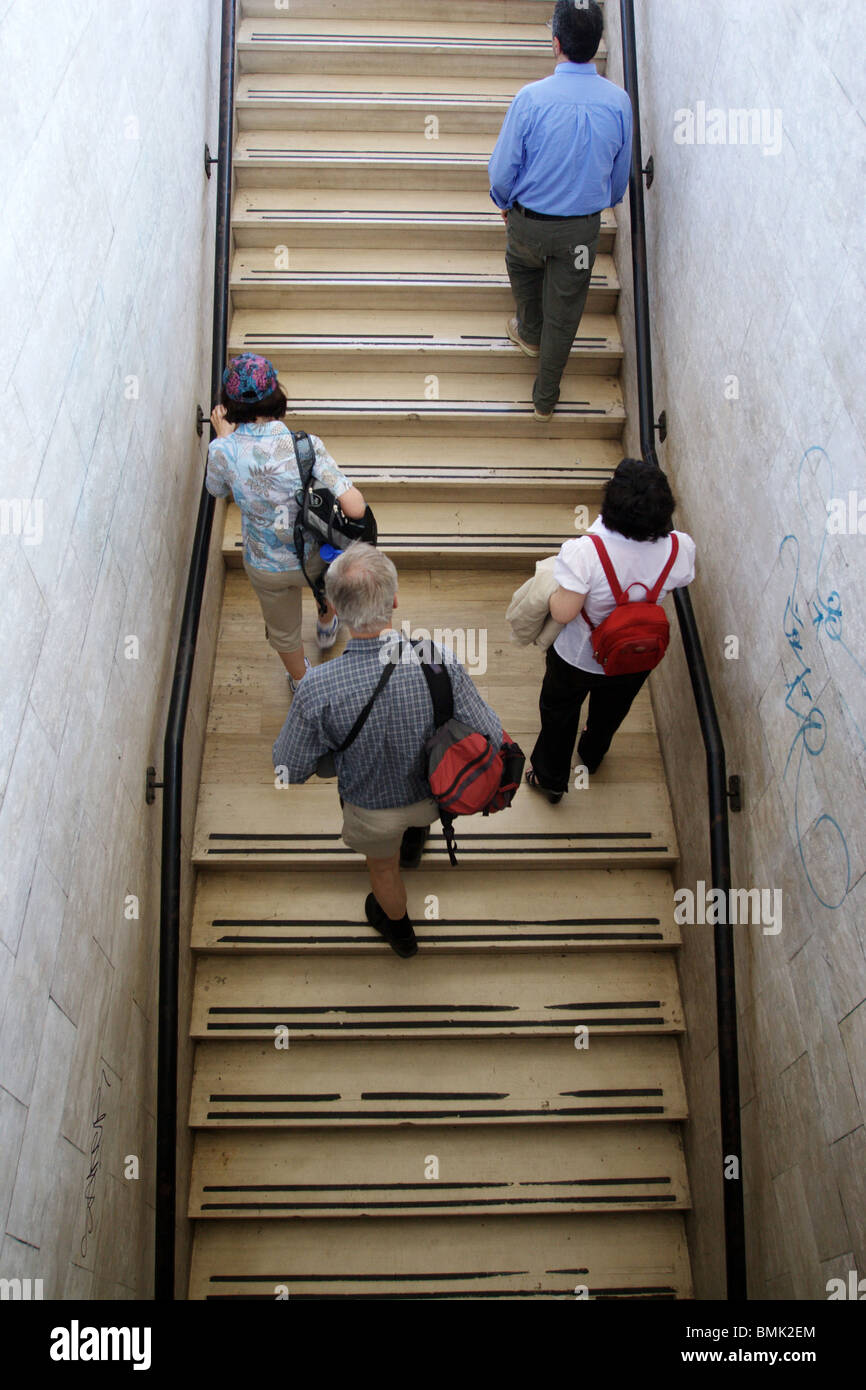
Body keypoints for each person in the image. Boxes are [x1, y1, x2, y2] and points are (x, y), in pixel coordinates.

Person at [272, 543, 503, 957]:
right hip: (434, 799)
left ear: (335, 609)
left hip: (370, 812)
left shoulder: (316, 688)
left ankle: (401, 934)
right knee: (416, 825)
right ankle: (415, 842)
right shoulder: (437, 659)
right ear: (394, 600)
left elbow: (287, 767)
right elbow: (491, 732)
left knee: (383, 869)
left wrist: (327, 757)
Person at [488, 0, 633, 419]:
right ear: (597, 42)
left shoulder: (530, 99)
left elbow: (502, 171)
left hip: (527, 225)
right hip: (581, 237)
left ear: (556, 43)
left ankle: (529, 332)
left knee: (524, 273)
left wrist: (504, 203)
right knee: (566, 311)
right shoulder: (619, 102)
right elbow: (618, 180)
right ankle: (545, 399)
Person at [526, 459, 696, 802]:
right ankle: (592, 753)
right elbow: (678, 581)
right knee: (612, 709)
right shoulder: (680, 547)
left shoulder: (585, 553)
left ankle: (551, 779)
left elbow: (563, 611)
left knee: (560, 710)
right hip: (634, 656)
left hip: (578, 657)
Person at [206, 353, 367, 693]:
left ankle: (301, 682)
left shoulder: (223, 451)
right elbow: (354, 508)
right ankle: (326, 623)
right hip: (314, 554)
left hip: (265, 563)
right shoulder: (306, 447)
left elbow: (217, 489)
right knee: (326, 583)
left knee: (283, 631)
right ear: (276, 394)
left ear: (228, 404)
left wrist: (223, 439)